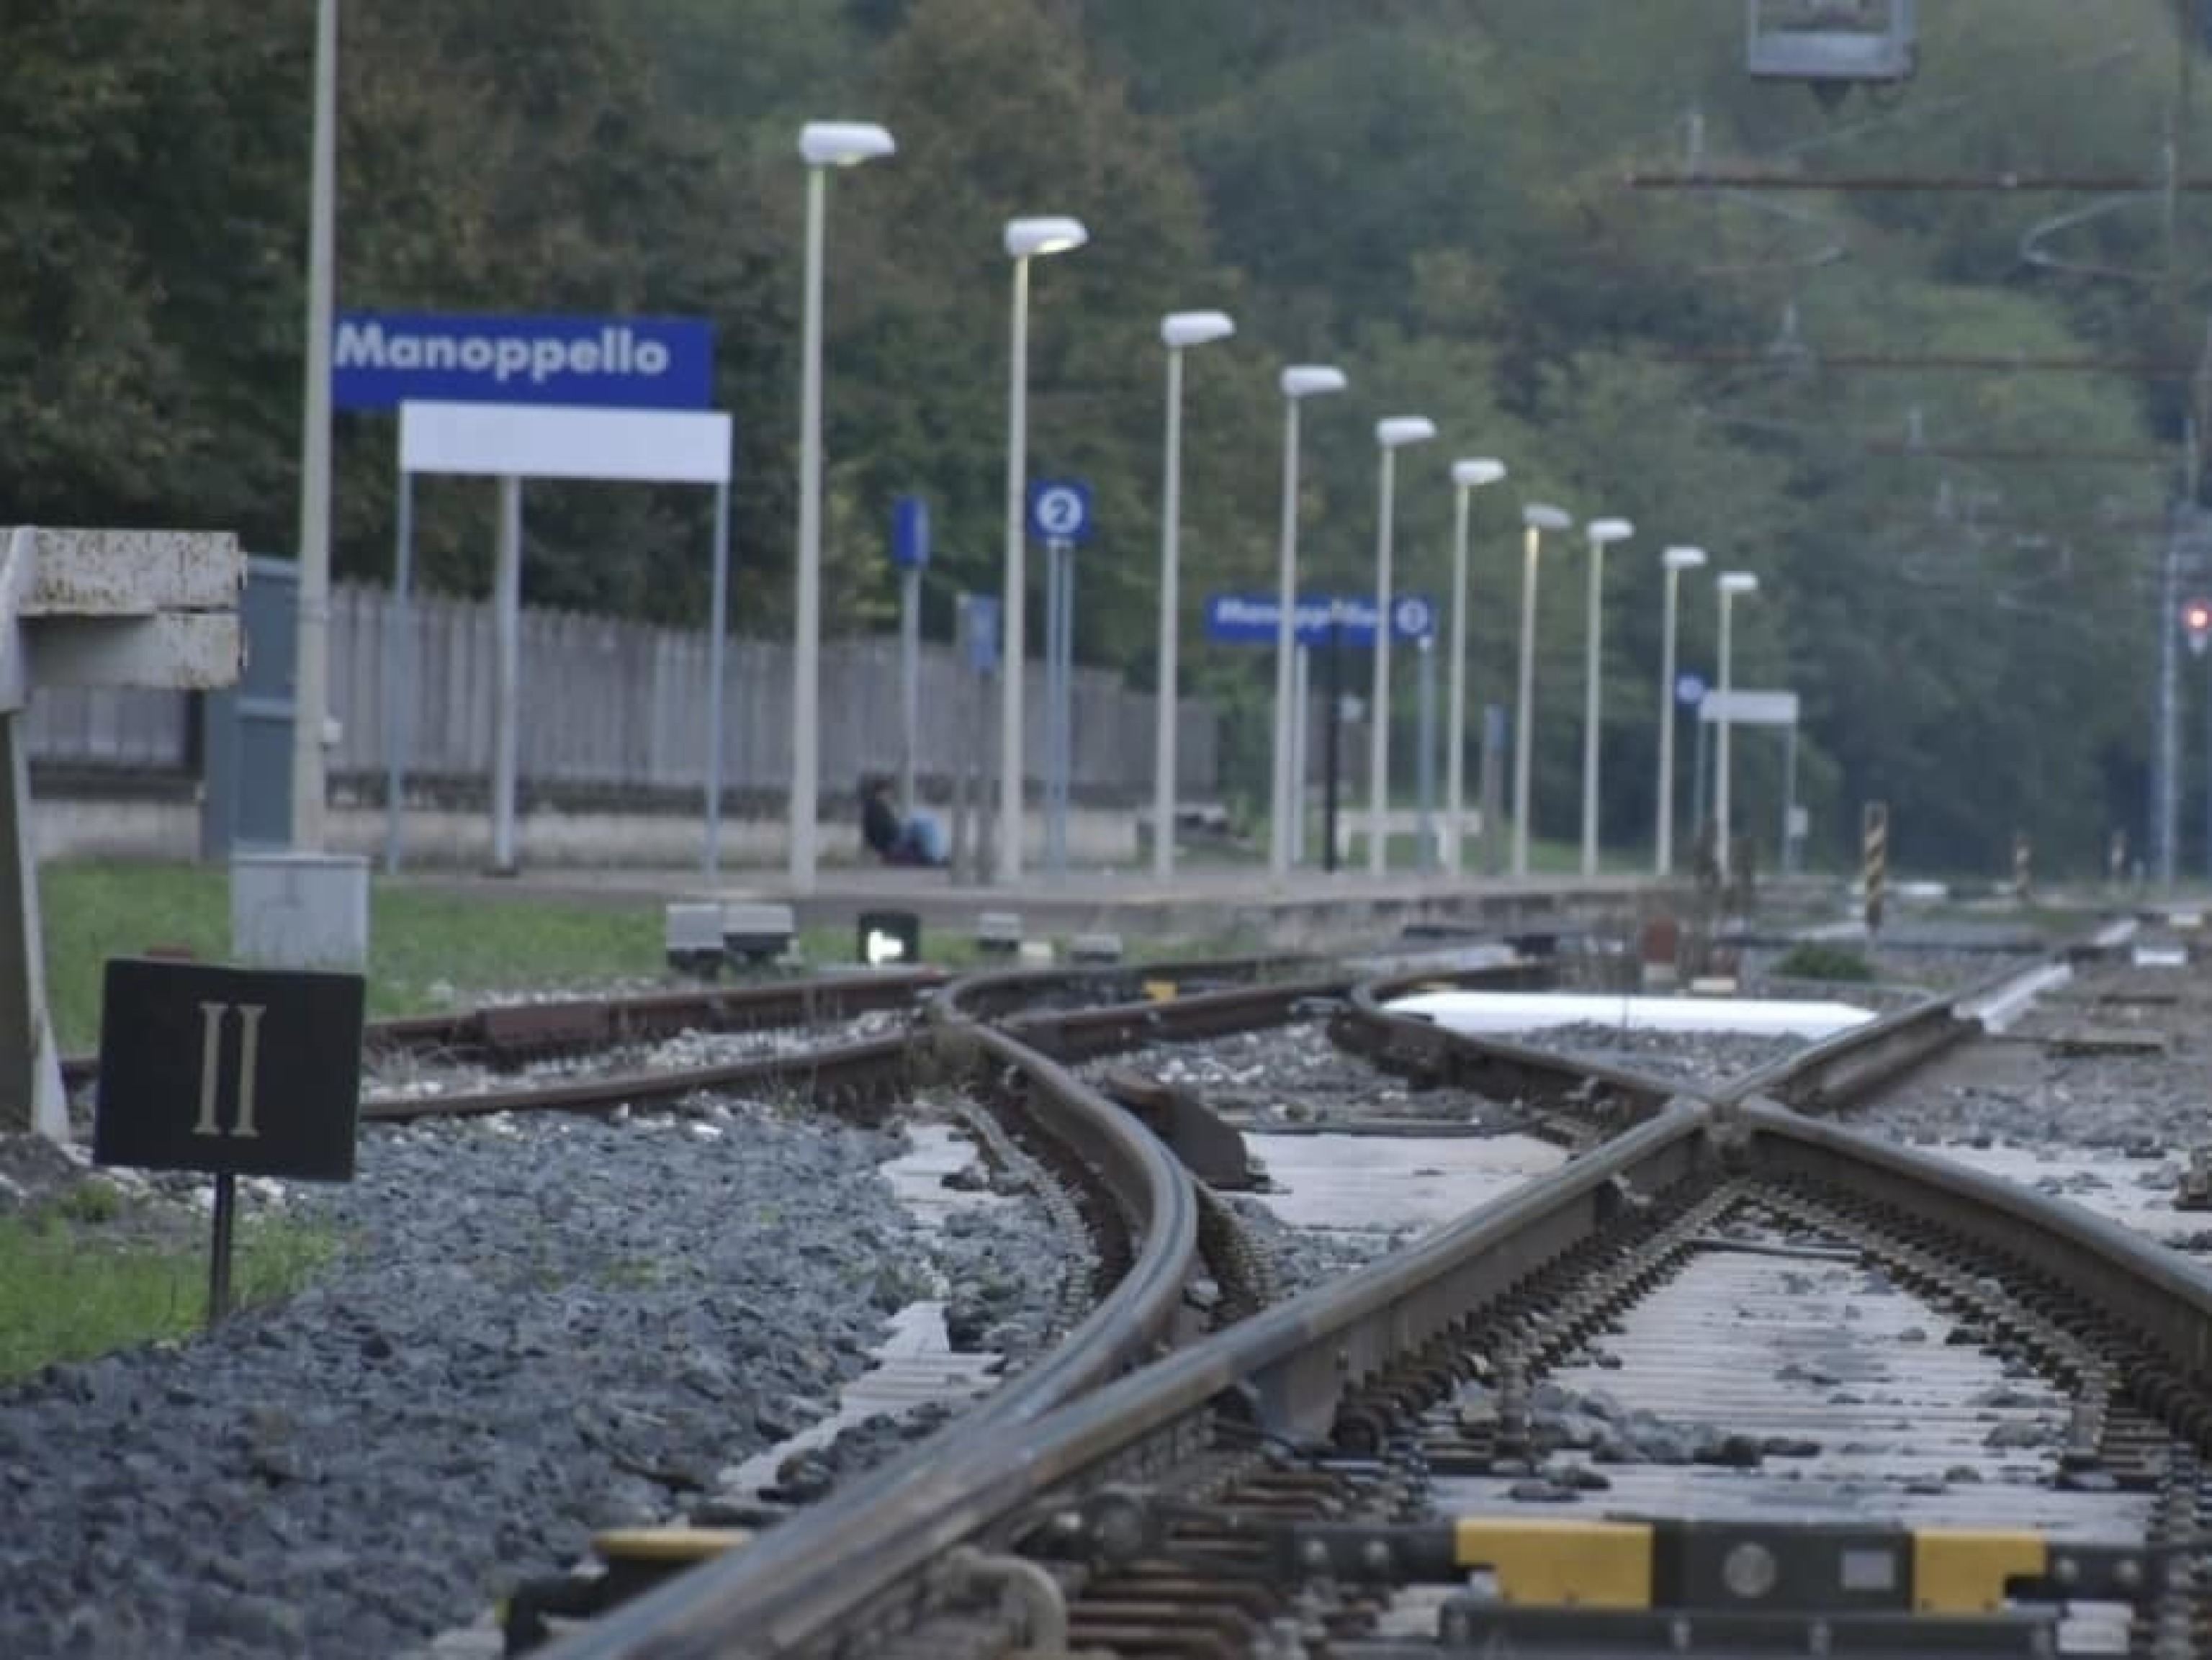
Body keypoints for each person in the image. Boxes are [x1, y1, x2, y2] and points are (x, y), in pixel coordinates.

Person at [860, 775, 945, 867]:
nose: (890, 796)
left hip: (890, 841)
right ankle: (935, 857)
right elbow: (889, 828)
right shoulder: (877, 808)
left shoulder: (874, 807)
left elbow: (888, 826)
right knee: (924, 827)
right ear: (882, 792)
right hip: (889, 843)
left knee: (922, 826)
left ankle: (935, 856)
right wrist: (902, 830)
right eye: (888, 793)